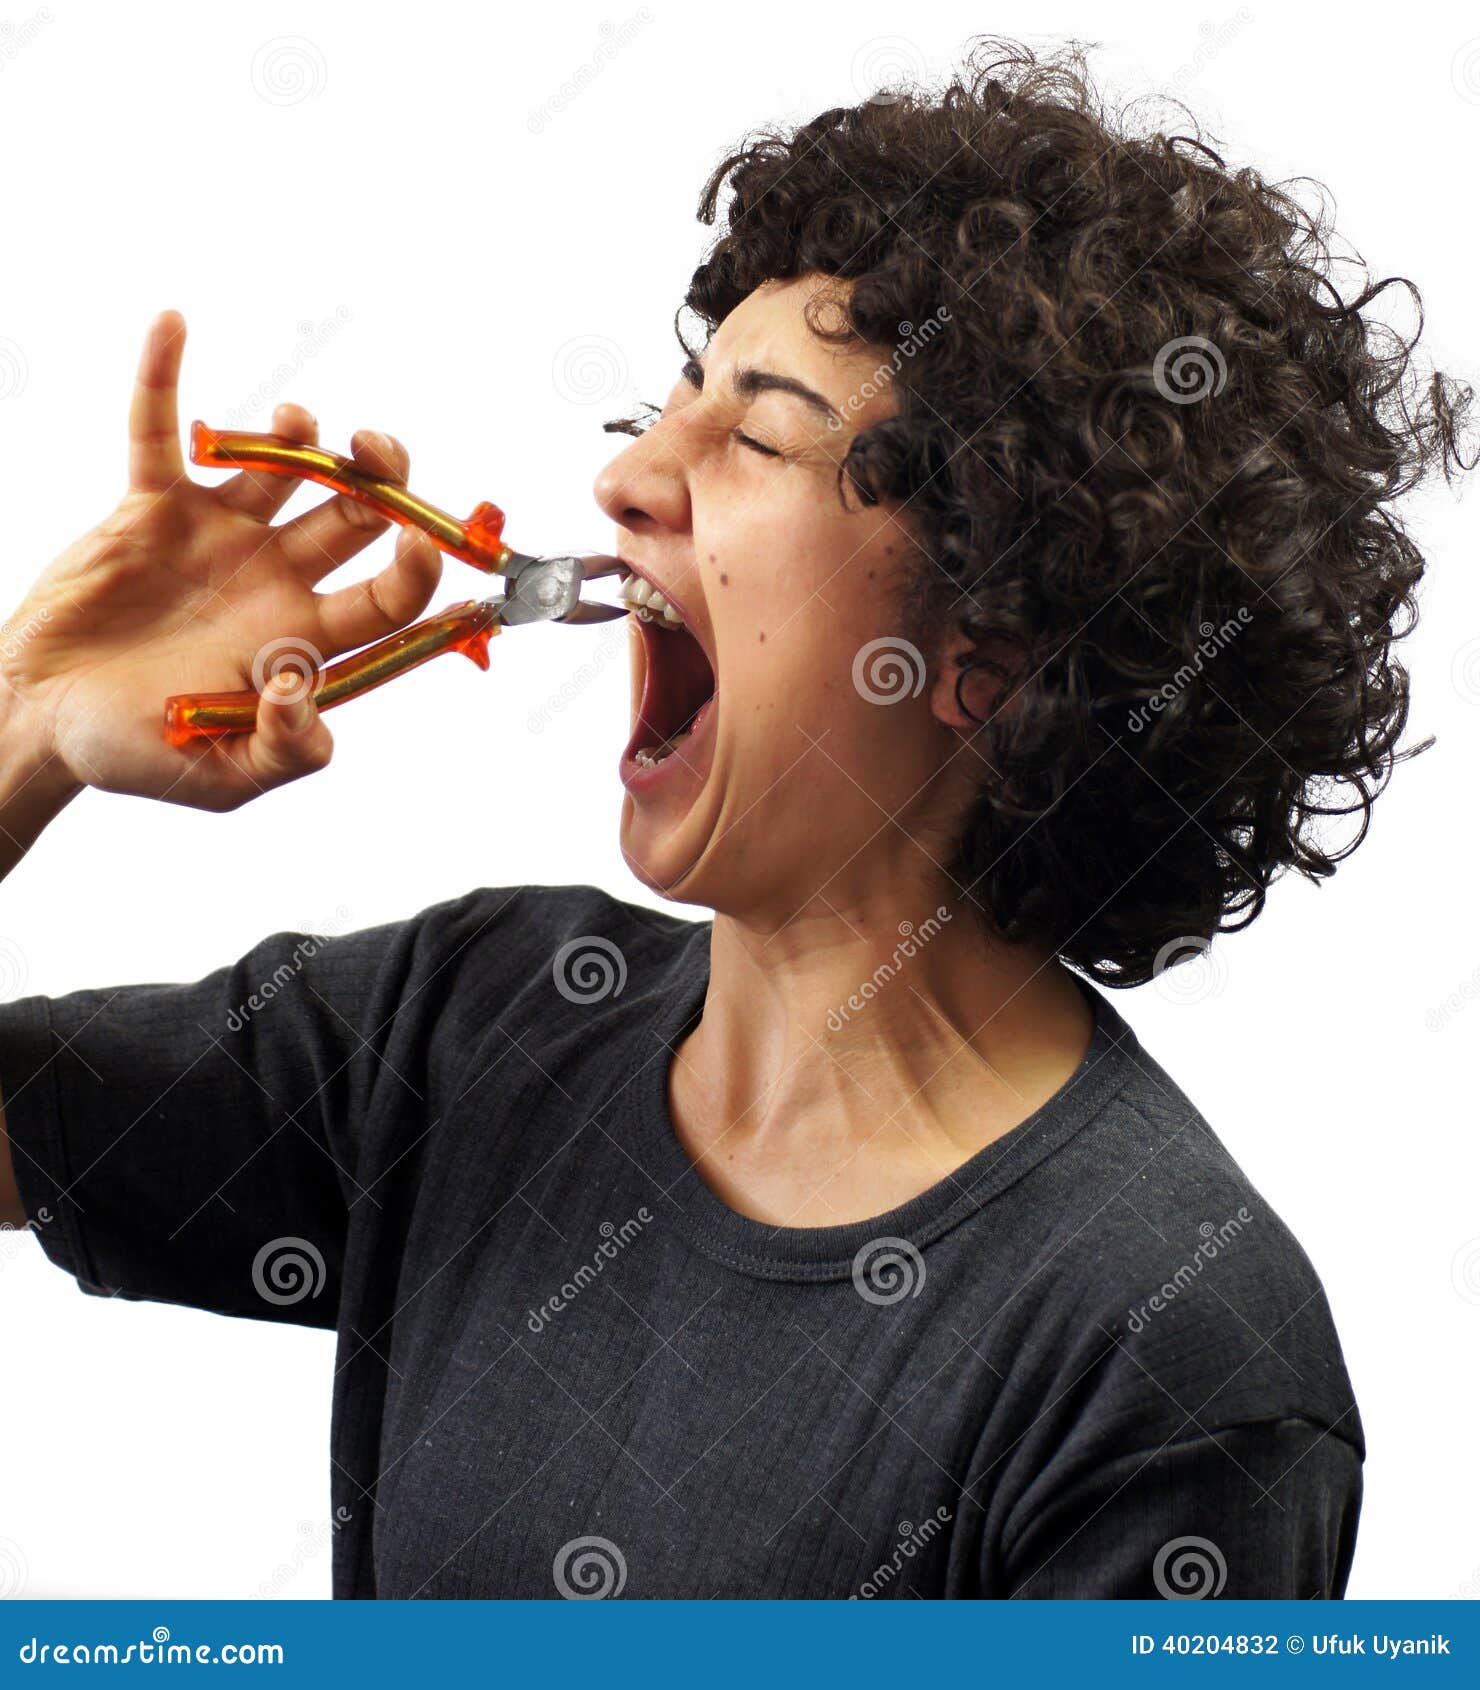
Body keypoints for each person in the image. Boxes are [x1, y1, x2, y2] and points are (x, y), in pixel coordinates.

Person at [0, 39, 1470, 1600]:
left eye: (756, 437)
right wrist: (28, 724)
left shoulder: (1167, 1349)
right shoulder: (469, 1028)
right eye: (665, 404)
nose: (627, 475)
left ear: (993, 649)